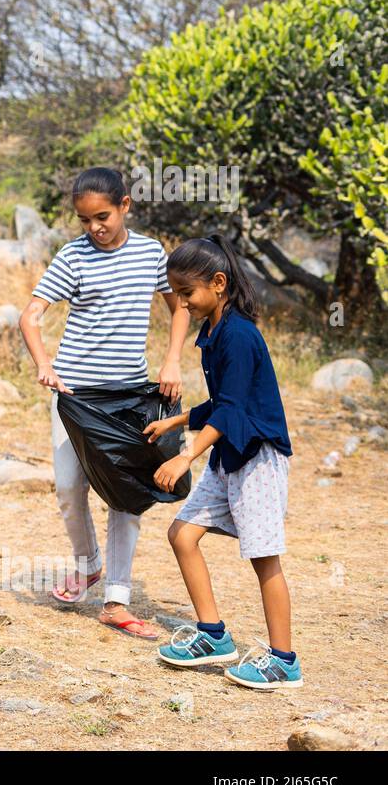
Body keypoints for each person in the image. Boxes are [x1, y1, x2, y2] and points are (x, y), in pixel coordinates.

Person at [19, 167, 190, 639]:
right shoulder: (73, 256)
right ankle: (88, 564)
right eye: (84, 220)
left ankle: (116, 599)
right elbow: (31, 315)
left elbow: (179, 306)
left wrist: (172, 360)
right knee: (69, 491)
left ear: (125, 207)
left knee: (125, 496)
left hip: (130, 395)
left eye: (102, 216)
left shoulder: (151, 252)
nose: (94, 227)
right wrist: (44, 364)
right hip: (73, 395)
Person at [144, 235, 300, 690]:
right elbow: (222, 402)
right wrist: (175, 422)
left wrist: (186, 455)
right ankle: (213, 634)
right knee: (183, 534)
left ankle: (284, 661)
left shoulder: (239, 334)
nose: (182, 302)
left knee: (263, 559)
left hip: (257, 457)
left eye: (186, 293)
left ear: (218, 282)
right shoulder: (212, 331)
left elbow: (233, 410)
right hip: (230, 451)